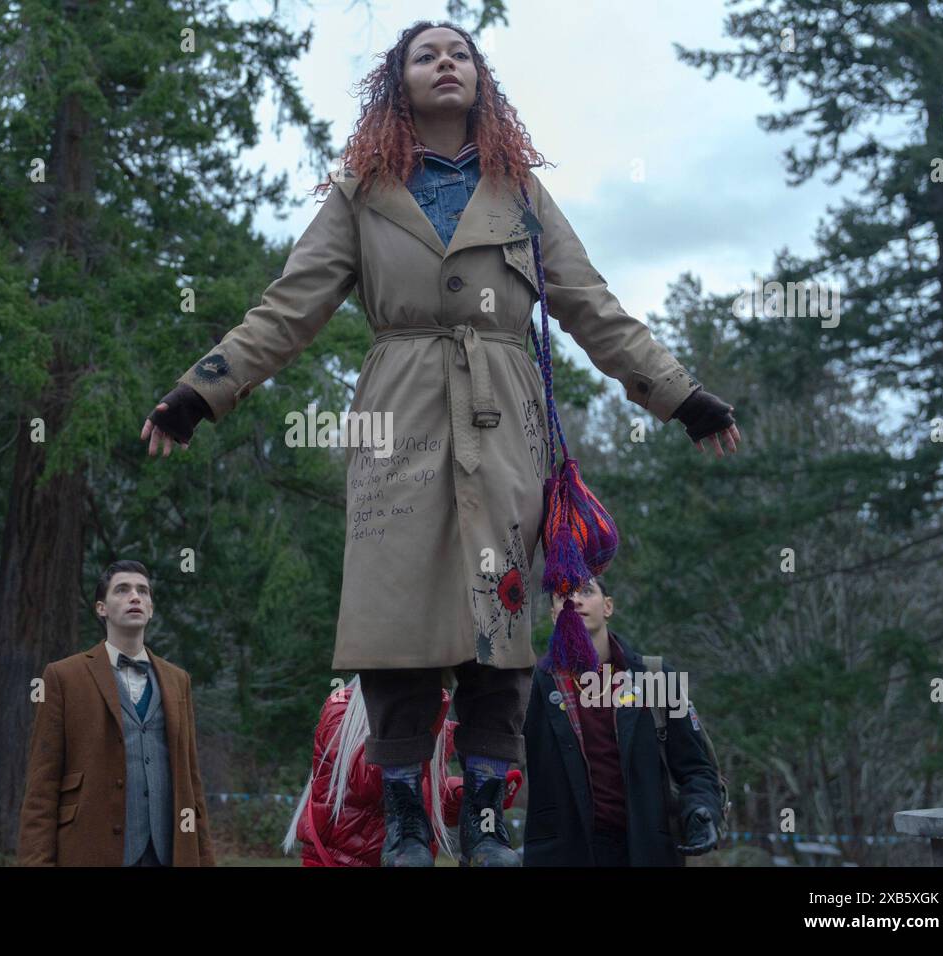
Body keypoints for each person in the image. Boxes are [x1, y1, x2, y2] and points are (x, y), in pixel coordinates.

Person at [142, 20, 740, 866]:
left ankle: (489, 821)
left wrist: (683, 396)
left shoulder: (519, 191)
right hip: (400, 417)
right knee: (396, 620)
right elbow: (289, 307)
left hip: (504, 423)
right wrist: (200, 391)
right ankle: (405, 822)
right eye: (427, 54)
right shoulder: (362, 190)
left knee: (498, 626)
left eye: (460, 52)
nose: (446, 62)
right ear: (401, 81)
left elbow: (590, 304)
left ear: (479, 77)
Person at [17, 560, 215, 866]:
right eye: (122, 590)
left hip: (167, 854)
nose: (134, 596)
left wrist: (204, 858)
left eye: (142, 591)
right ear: (101, 608)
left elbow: (192, 783)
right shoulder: (62, 676)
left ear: (150, 608)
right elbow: (42, 788)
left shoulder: (179, 681)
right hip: (91, 850)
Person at [522, 576, 723, 866]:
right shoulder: (533, 687)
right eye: (563, 595)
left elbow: (696, 768)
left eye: (587, 591)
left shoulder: (656, 677)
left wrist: (701, 809)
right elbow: (503, 761)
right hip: (563, 854)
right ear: (555, 615)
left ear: (608, 606)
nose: (575, 600)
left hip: (645, 851)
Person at [282, 676, 521, 866]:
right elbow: (370, 783)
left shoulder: (431, 718)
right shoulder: (340, 707)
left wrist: (470, 792)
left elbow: (421, 795)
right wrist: (423, 723)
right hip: (337, 861)